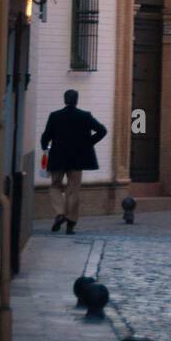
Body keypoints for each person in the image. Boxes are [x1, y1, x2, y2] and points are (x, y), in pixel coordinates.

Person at [40, 89, 107, 234]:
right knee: (73, 190)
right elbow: (102, 130)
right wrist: (88, 143)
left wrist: (45, 148)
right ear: (76, 100)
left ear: (65, 100)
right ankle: (70, 223)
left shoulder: (55, 116)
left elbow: (46, 136)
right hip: (78, 158)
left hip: (58, 157)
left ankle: (60, 213)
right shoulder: (85, 116)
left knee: (55, 186)